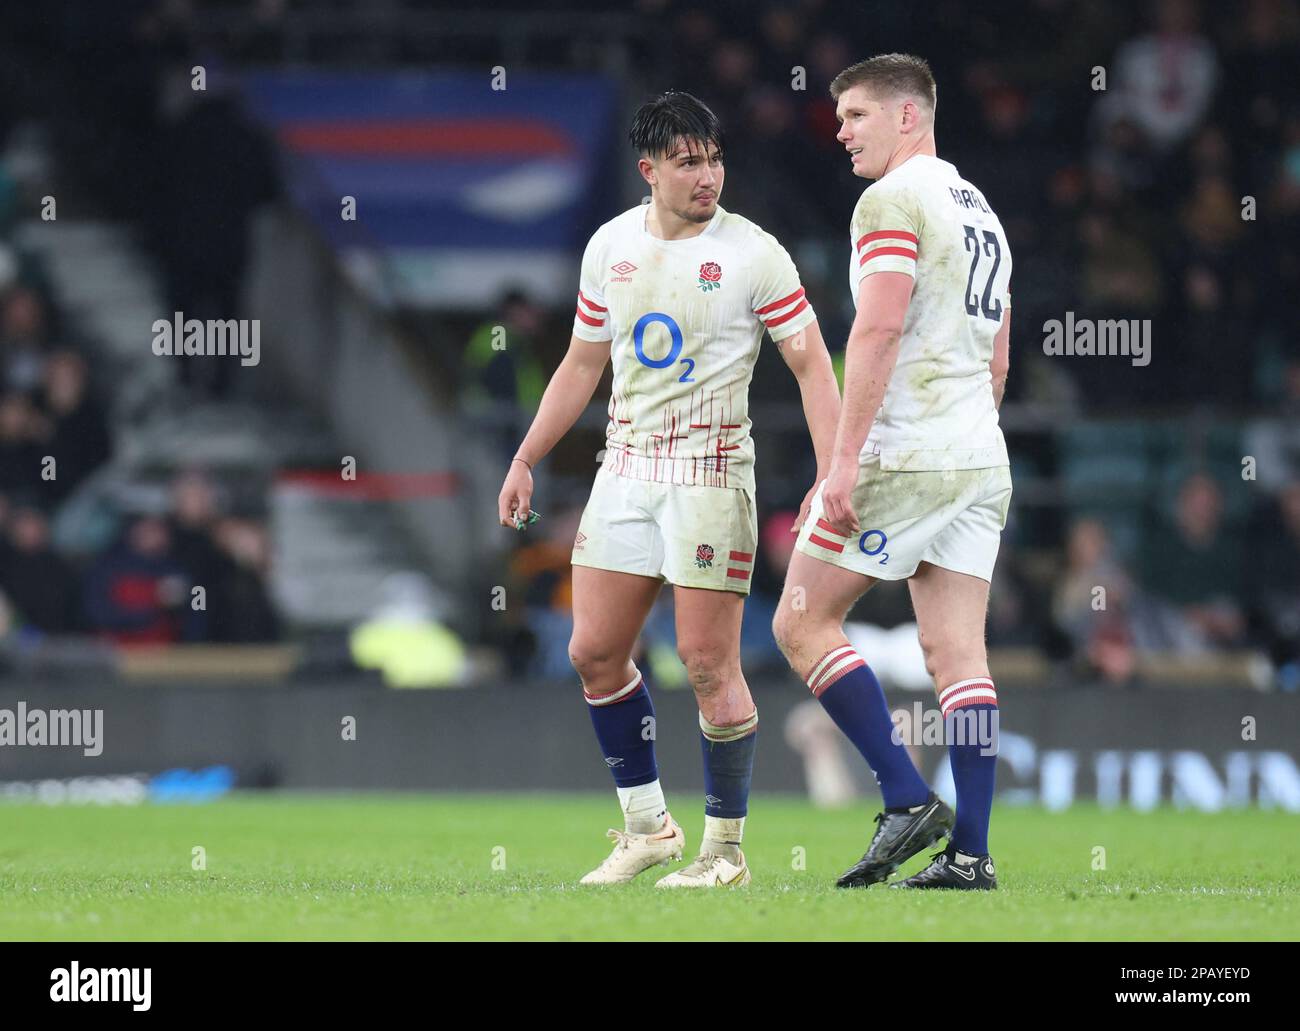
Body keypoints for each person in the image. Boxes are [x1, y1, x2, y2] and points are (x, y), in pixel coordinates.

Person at [497, 92, 840, 887]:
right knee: (592, 651)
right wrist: (525, 457)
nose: (707, 175)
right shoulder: (610, 246)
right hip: (624, 468)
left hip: (711, 472)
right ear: (649, 170)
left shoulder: (755, 253)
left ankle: (726, 852)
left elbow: (813, 363)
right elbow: (583, 364)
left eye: (714, 158)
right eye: (688, 161)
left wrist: (833, 473)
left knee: (708, 663)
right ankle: (649, 827)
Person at [772, 54, 1013, 890]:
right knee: (960, 658)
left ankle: (906, 795)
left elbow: (873, 333)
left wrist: (842, 462)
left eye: (856, 116)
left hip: (908, 452)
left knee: (800, 622)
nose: (840, 132)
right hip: (980, 457)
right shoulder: (981, 209)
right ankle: (971, 856)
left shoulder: (891, 200)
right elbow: (998, 359)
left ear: (909, 116)